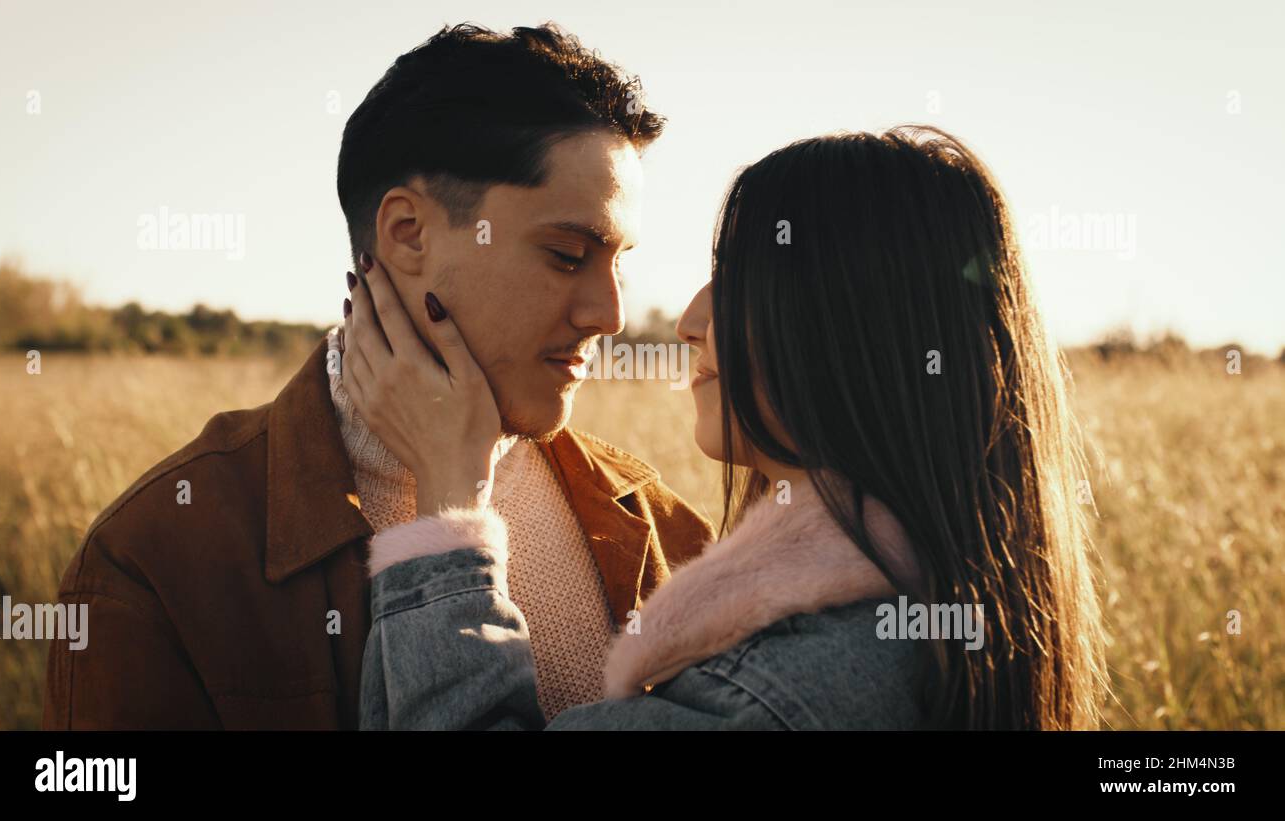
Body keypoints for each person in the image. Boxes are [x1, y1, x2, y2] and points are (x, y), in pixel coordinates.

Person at [43, 23, 712, 729]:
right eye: (568, 253)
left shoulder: (655, 520)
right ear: (406, 233)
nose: (611, 314)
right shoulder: (157, 558)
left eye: (620, 261)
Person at [350, 127, 1110, 730]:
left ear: (858, 323)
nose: (687, 320)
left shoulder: (785, 693)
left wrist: (451, 505)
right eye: (566, 255)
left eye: (741, 276)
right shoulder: (945, 604)